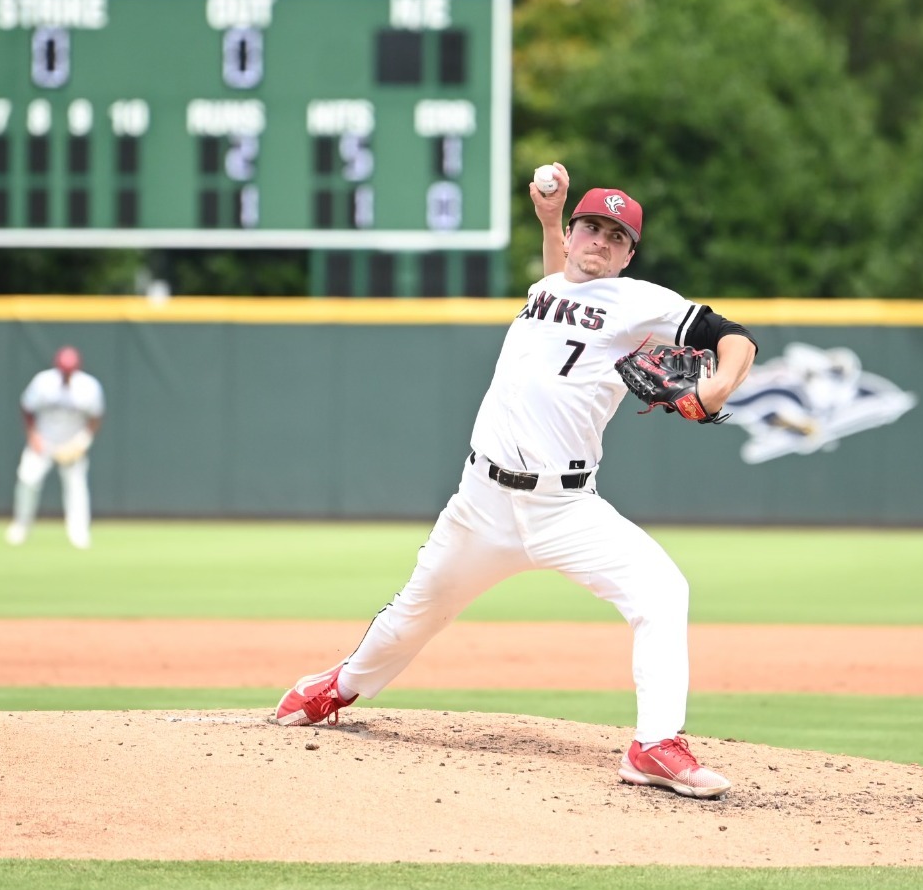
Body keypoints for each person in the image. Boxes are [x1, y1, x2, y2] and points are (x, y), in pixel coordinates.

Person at [274, 167, 758, 799]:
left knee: (663, 591)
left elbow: (735, 339)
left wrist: (713, 388)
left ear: (630, 253)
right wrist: (550, 220)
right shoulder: (546, 283)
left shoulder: (644, 302)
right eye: (592, 227)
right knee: (417, 614)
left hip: (566, 507)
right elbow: (565, 277)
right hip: (481, 506)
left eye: (616, 236)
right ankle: (339, 686)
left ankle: (655, 745)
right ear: (576, 232)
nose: (599, 242)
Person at [5, 345, 105, 549]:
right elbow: (27, 408)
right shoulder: (43, 382)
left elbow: (96, 417)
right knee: (27, 480)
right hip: (45, 440)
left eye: (70, 371)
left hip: (72, 443)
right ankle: (21, 526)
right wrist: (33, 436)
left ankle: (79, 533)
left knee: (76, 487)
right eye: (63, 371)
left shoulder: (88, 386)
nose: (66, 375)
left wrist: (82, 441)